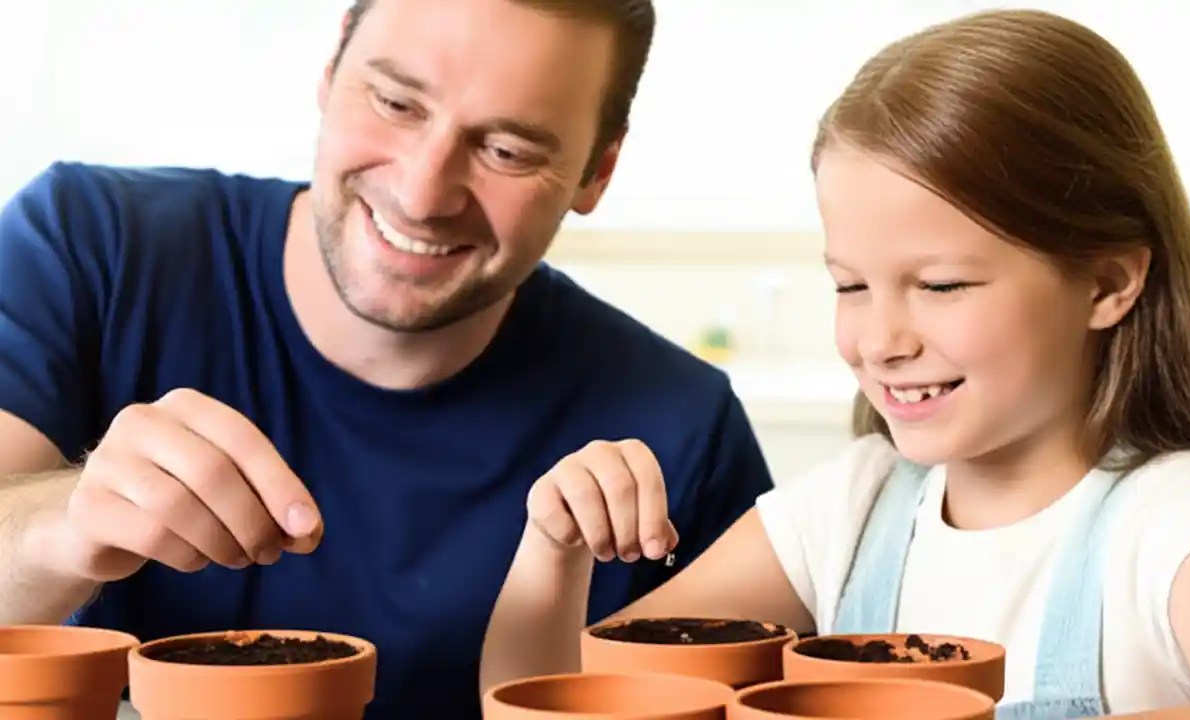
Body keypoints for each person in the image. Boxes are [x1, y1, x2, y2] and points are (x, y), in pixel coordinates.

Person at [480, 9, 1190, 719]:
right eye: (851, 285)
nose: (883, 338)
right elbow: (550, 700)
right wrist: (554, 552)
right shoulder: (851, 511)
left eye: (940, 285)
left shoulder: (1173, 527)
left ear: (1106, 284)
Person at [0, 0, 774, 717]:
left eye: (506, 149)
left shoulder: (683, 430)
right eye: (396, 104)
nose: (422, 191)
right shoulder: (88, 249)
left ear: (597, 172)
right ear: (333, 66)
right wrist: (63, 526)